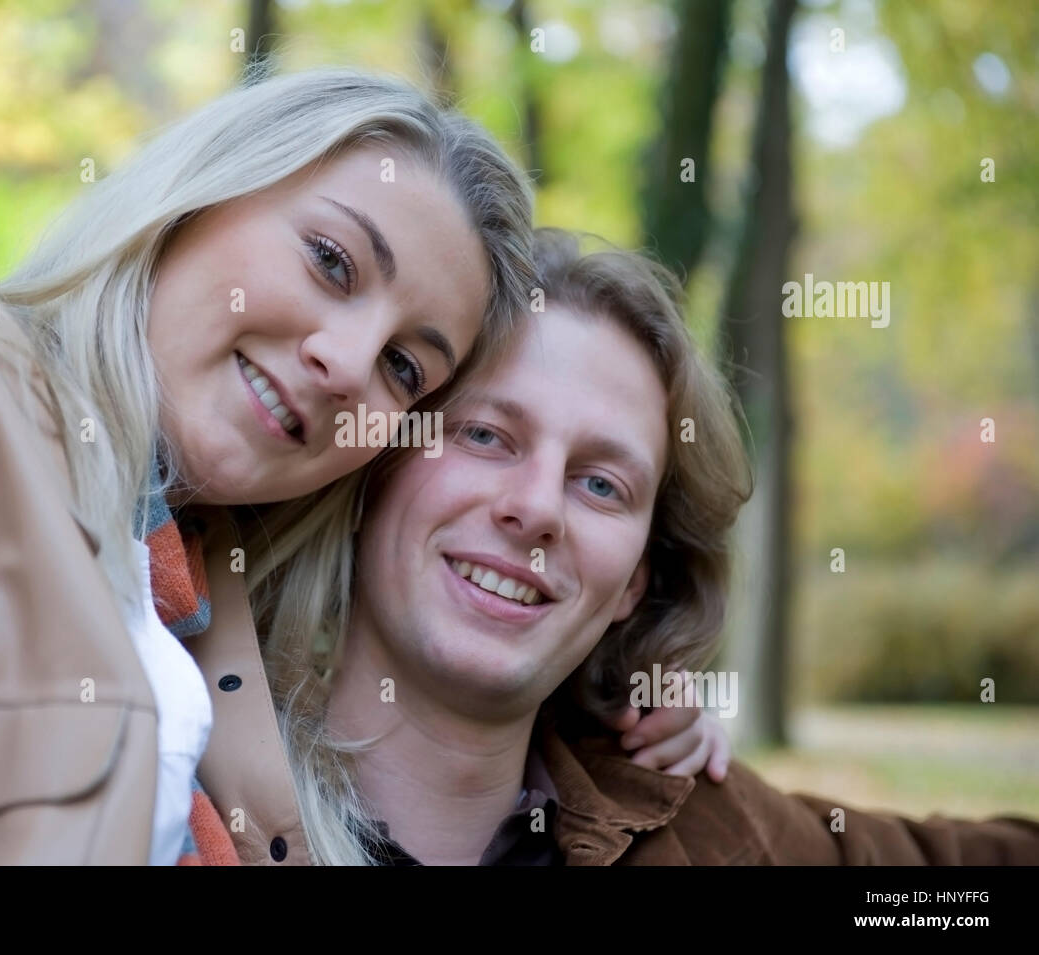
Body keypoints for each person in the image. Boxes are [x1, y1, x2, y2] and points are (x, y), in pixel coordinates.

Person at [0, 68, 537, 864]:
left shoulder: (216, 606)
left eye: (404, 366)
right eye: (331, 261)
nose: (345, 361)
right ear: (196, 199)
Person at [186, 228, 1039, 865]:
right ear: (375, 467)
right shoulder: (178, 782)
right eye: (486, 435)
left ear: (634, 579)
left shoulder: (710, 831)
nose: (536, 507)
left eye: (602, 484)